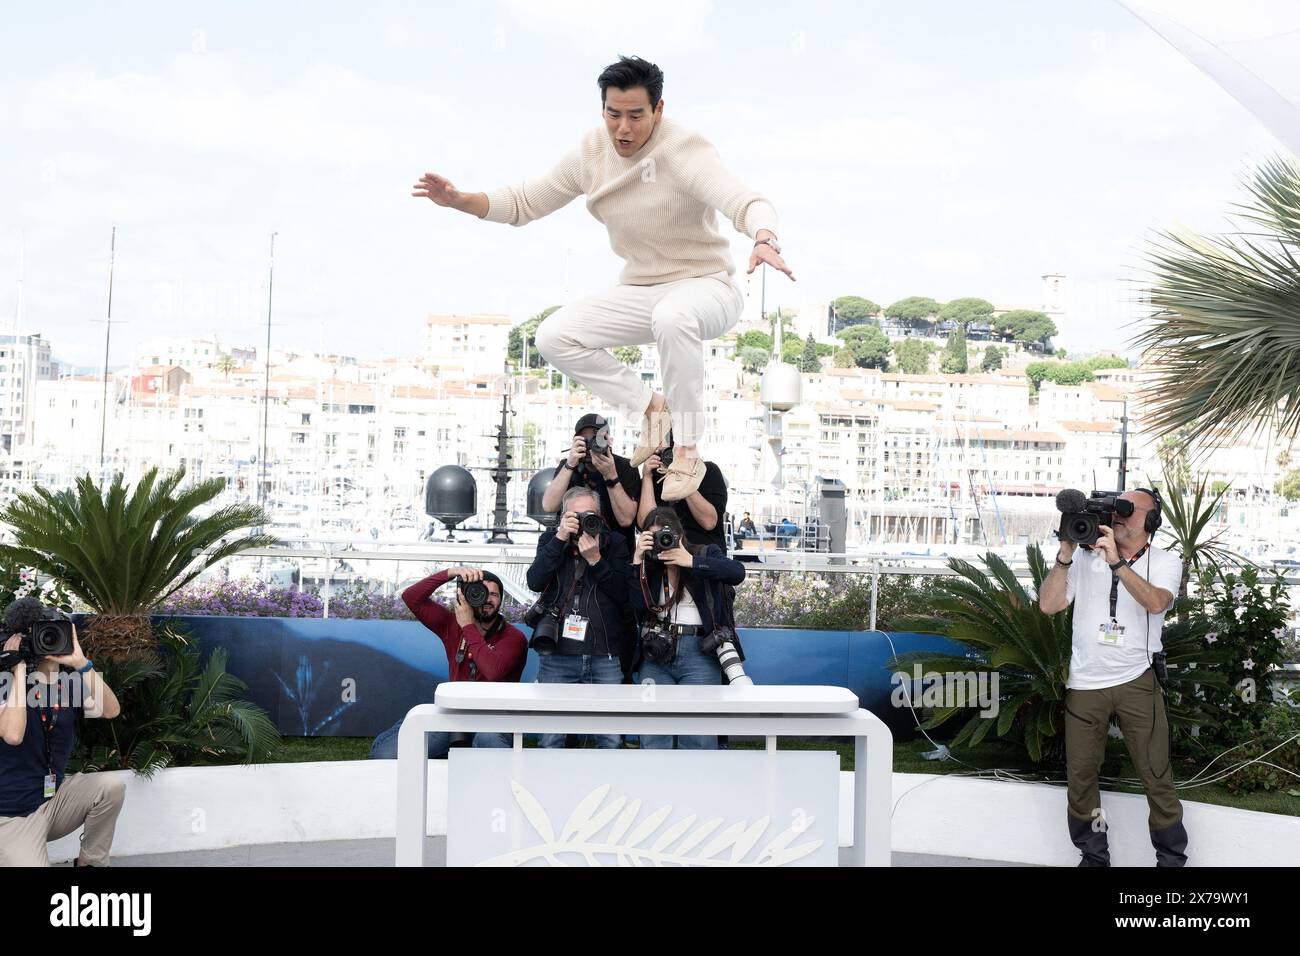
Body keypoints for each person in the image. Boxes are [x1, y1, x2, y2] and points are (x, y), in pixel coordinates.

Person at [412, 54, 793, 502]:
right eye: (614, 115)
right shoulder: (592, 153)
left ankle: (687, 448)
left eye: (636, 116)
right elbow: (522, 203)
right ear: (603, 110)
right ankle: (652, 408)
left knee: (673, 317)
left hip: (706, 286)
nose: (624, 129)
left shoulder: (682, 150)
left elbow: (742, 199)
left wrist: (764, 236)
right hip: (641, 290)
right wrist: (461, 200)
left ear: (659, 110)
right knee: (554, 336)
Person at [1038, 488, 1188, 867]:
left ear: (1150, 521)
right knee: (1082, 778)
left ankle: (1170, 859)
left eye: (1127, 510)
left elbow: (1156, 602)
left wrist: (1118, 563)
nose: (1117, 516)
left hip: (1137, 680)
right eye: (1114, 509)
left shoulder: (1165, 560)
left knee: (1155, 774)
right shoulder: (1086, 560)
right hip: (1085, 683)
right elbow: (1049, 605)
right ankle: (1094, 854)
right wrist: (1065, 555)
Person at [0, 623, 125, 867]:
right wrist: (18, 668)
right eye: (42, 636)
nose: (50, 642)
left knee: (111, 787)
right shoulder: (5, 686)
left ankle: (90, 862)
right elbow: (13, 735)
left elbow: (111, 710)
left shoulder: (69, 685)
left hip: (54, 801)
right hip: (13, 815)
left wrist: (81, 663)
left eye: (56, 635)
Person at [369, 567, 526, 759]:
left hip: (495, 720)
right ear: (466, 597)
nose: (487, 599)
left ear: (501, 599)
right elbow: (411, 597)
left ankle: (456, 755)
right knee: (385, 754)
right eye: (480, 592)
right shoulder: (452, 624)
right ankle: (441, 747)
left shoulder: (513, 637)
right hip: (454, 717)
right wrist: (451, 572)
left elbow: (492, 671)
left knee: (493, 751)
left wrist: (468, 626)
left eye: (494, 594)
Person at [631, 508, 747, 750]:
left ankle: (700, 786)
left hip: (700, 651)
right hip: (656, 651)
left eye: (666, 536)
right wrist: (637, 559)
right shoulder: (649, 566)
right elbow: (632, 606)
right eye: (653, 538)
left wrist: (691, 561)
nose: (662, 544)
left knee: (698, 734)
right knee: (654, 732)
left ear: (679, 534)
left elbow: (737, 572)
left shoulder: (703, 553)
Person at [525, 486, 631, 748]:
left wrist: (596, 560)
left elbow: (625, 595)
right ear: (563, 516)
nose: (583, 521)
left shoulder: (614, 543)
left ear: (600, 516)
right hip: (557, 653)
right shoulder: (551, 540)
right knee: (552, 736)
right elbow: (535, 581)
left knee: (610, 737)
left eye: (589, 515)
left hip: (604, 653)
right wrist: (560, 538)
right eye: (575, 515)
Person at [541, 413, 640, 550]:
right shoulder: (569, 466)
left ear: (608, 441)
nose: (591, 445)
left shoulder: (625, 467)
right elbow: (549, 506)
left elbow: (626, 520)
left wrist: (610, 475)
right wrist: (570, 465)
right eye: (585, 440)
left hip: (615, 552)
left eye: (597, 439)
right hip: (574, 550)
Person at [634, 437, 729, 553]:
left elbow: (709, 522)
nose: (666, 454)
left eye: (670, 449)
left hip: (701, 558)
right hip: (664, 558)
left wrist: (682, 476)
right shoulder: (652, 480)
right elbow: (645, 523)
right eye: (658, 448)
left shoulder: (707, 471)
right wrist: (647, 476)